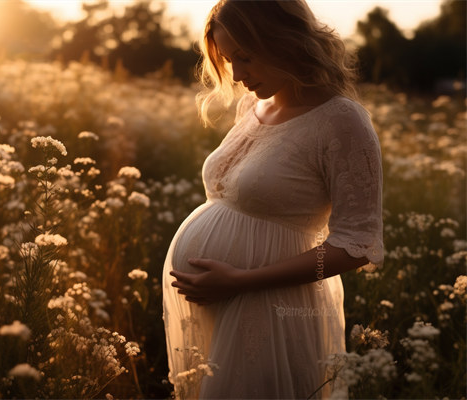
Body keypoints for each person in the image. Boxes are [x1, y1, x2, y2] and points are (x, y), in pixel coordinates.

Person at [162, 1, 384, 399]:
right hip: (220, 299)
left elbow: (356, 246)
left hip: (273, 308)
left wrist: (242, 281)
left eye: (246, 57)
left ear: (286, 41)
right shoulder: (254, 105)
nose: (238, 75)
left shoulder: (342, 122)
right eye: (230, 60)